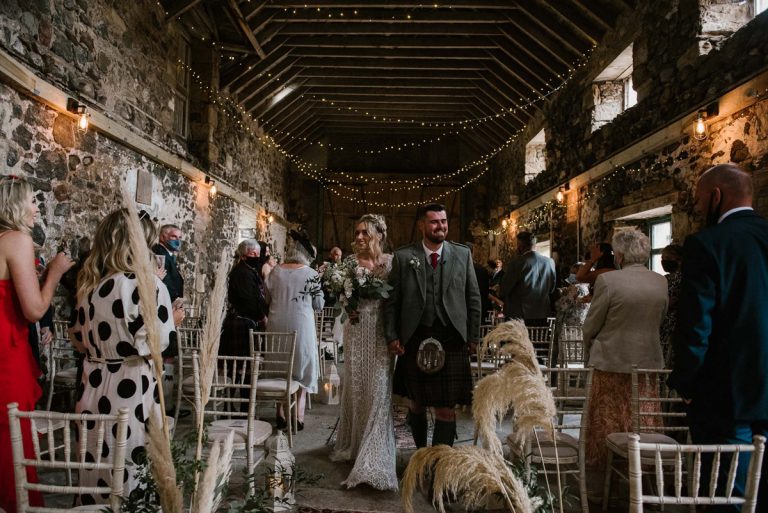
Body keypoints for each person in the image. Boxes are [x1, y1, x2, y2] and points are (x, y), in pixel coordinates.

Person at [669, 163, 768, 509]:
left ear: (715, 196)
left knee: (724, 494)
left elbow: (696, 325)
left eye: (698, 201)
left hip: (726, 393)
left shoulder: (707, 244)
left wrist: (686, 385)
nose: (696, 209)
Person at [69, 209, 177, 503]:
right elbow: (158, 344)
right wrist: (173, 321)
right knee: (131, 471)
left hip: (92, 388)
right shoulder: (147, 285)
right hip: (132, 389)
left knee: (95, 467)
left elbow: (77, 339)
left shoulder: (90, 287)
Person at [0, 175, 74, 513]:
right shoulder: (17, 239)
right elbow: (33, 310)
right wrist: (55, 273)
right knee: (12, 447)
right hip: (7, 354)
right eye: (32, 200)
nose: (36, 208)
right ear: (15, 204)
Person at [384, 203, 481, 448]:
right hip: (415, 336)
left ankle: (439, 461)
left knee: (446, 409)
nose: (441, 226)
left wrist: (473, 337)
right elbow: (392, 302)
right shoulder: (404, 257)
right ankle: (421, 455)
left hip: (452, 339)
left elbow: (473, 298)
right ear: (421, 225)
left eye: (444, 221)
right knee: (416, 403)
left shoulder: (462, 254)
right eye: (434, 221)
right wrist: (392, 336)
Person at [581, 229, 668, 469]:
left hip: (611, 359)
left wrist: (589, 346)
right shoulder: (660, 282)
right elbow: (659, 319)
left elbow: (592, 324)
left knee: (608, 417)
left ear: (619, 255)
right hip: (648, 361)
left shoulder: (608, 281)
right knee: (641, 416)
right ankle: (644, 465)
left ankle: (606, 464)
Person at [331, 214, 397, 491]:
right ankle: (356, 446)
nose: (358, 237)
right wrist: (348, 307)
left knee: (378, 389)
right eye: (357, 232)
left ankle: (375, 454)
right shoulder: (348, 264)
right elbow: (341, 296)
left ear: (378, 236)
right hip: (356, 332)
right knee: (357, 388)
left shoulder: (390, 264)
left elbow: (396, 299)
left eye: (365, 233)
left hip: (380, 333)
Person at [264, 231, 324, 431]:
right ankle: (298, 415)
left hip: (276, 325)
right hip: (301, 326)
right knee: (302, 367)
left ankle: (280, 413)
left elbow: (267, 299)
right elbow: (318, 304)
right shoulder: (311, 274)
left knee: (280, 367)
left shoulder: (275, 271)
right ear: (306, 255)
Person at [500, 231, 556, 325]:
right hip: (543, 313)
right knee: (540, 335)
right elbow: (551, 288)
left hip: (519, 316)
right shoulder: (550, 262)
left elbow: (504, 288)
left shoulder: (517, 263)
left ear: (520, 246)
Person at [227, 239, 268, 330]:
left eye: (258, 253)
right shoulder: (242, 273)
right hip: (243, 322)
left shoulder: (249, 269)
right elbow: (249, 299)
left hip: (249, 320)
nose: (256, 256)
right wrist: (262, 317)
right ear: (243, 256)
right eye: (253, 254)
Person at [658, 243, 683, 367]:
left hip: (672, 323)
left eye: (667, 258)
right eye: (662, 258)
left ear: (678, 259)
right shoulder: (666, 279)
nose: (663, 261)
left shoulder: (677, 279)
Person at [152, 224, 184, 302]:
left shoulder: (167, 254)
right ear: (163, 237)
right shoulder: (160, 254)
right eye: (174, 237)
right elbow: (164, 282)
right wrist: (175, 301)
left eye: (180, 237)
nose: (178, 241)